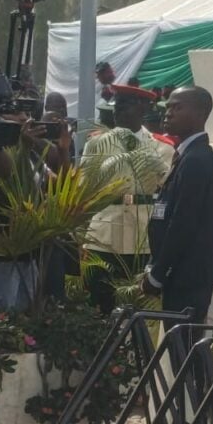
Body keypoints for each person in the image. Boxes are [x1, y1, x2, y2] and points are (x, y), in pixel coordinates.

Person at [82, 84, 175, 311]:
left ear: (143, 108)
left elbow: (168, 187)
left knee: (142, 303)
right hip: (105, 232)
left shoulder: (161, 147)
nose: (118, 111)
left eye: (125, 106)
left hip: (142, 234)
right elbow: (84, 187)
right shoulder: (97, 143)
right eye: (117, 106)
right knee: (100, 301)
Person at [142, 86, 213, 326]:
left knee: (185, 354)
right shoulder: (186, 155)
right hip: (178, 274)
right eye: (167, 107)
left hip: (187, 276)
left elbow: (183, 224)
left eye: (177, 107)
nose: (168, 114)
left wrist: (157, 275)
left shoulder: (197, 159)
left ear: (200, 114)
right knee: (183, 353)